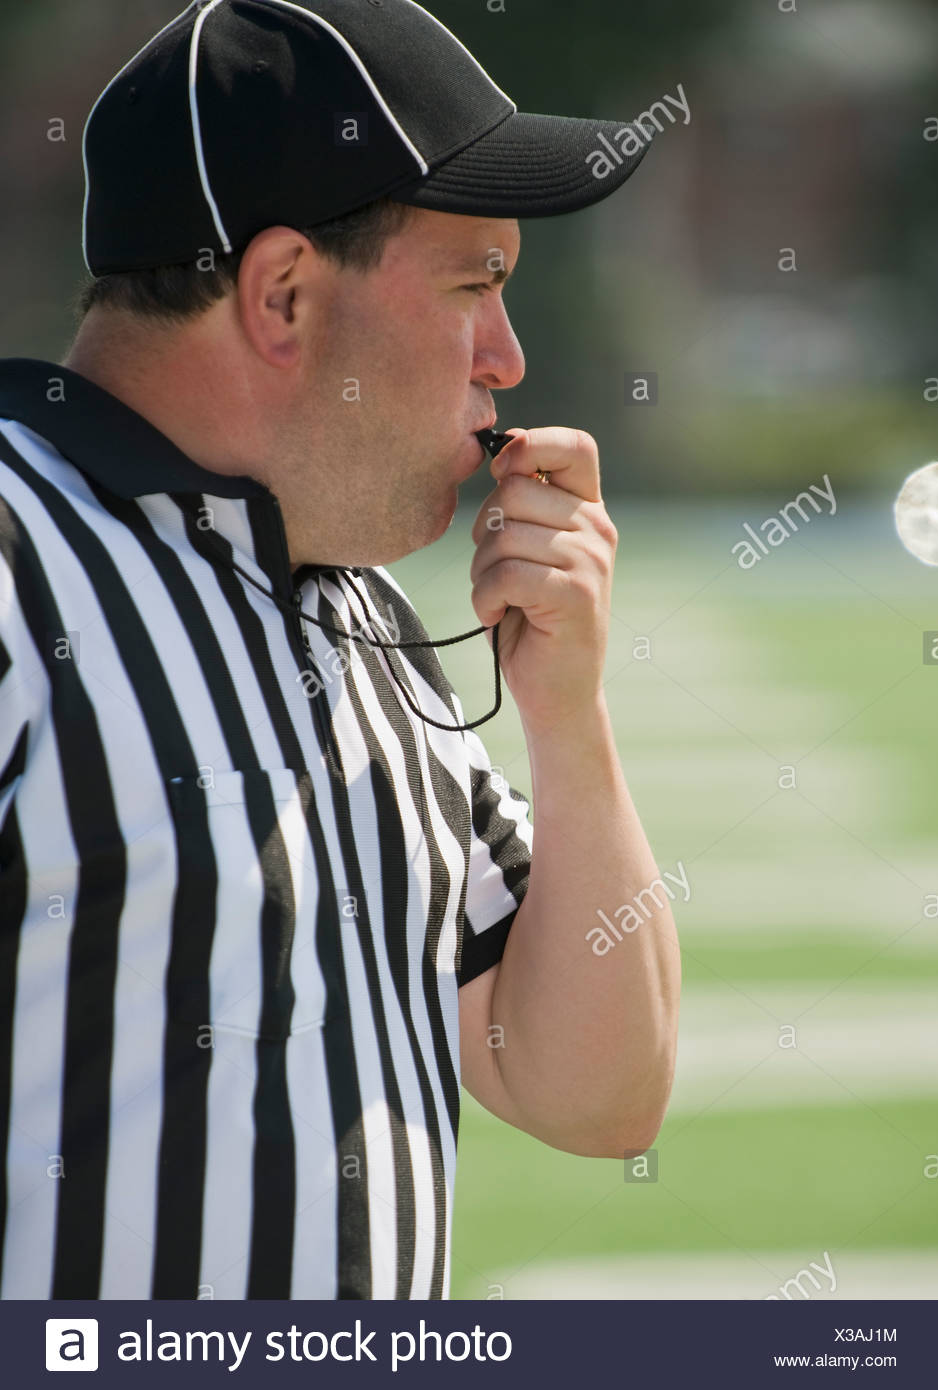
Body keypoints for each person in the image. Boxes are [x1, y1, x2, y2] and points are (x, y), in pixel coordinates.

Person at [0, 0, 680, 1299]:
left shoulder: (356, 608)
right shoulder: (19, 568)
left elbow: (598, 1095)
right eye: (476, 285)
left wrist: (569, 713)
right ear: (287, 294)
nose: (509, 357)